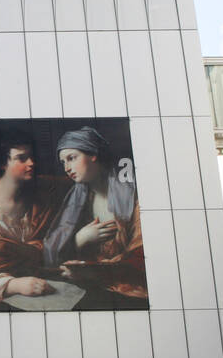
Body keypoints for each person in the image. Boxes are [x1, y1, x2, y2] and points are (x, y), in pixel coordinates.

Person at [45, 126, 147, 301]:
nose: (67, 168)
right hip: (86, 284)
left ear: (93, 154)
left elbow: (139, 258)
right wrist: (79, 240)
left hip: (126, 288)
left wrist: (92, 270)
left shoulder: (133, 196)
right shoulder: (79, 199)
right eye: (63, 162)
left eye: (72, 158)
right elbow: (52, 253)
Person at [0, 134, 71, 310]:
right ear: (2, 163)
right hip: (2, 297)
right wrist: (13, 285)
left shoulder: (43, 190)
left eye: (32, 157)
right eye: (21, 158)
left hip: (47, 279)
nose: (31, 163)